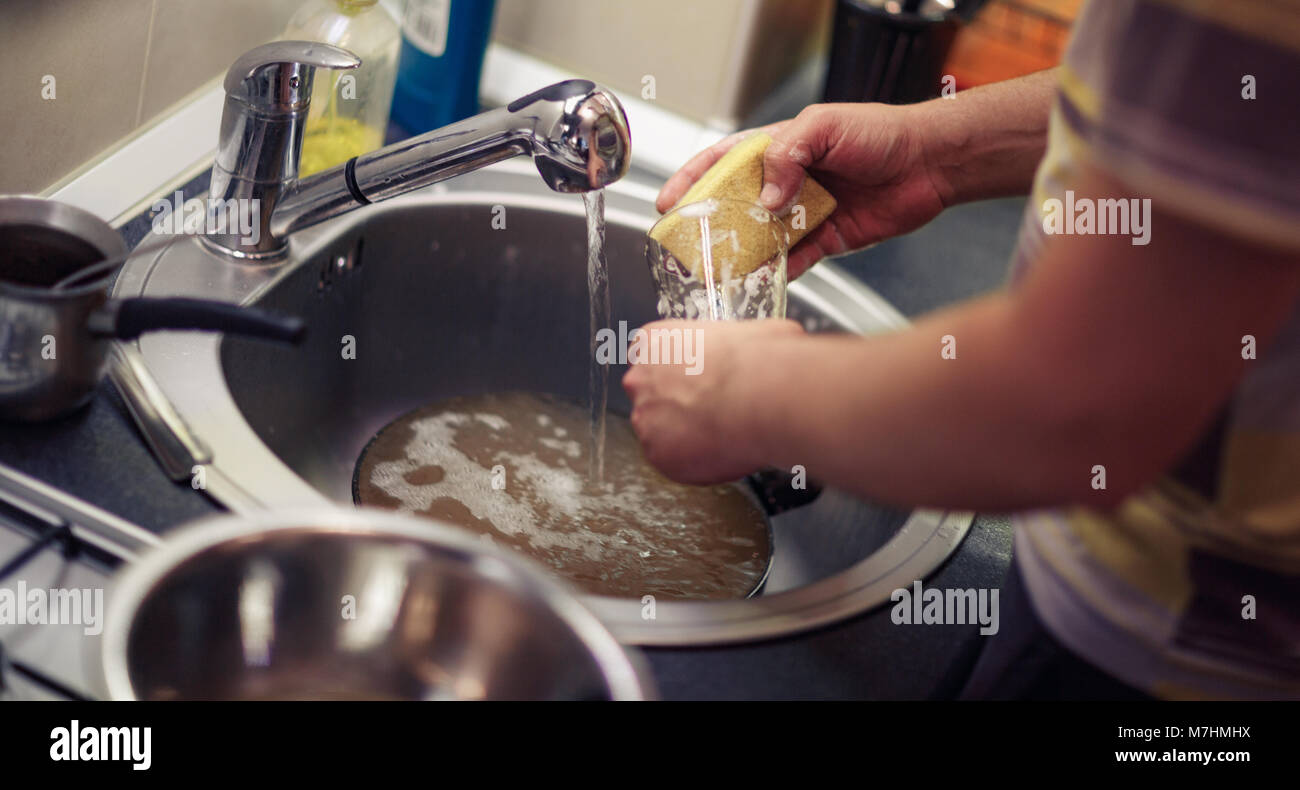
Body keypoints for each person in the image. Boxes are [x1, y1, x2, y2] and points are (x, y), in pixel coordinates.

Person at [623, 0, 1300, 700]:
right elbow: (1193, 110)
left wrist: (740, 397)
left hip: (1184, 662)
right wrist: (938, 151)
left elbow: (1082, 406)